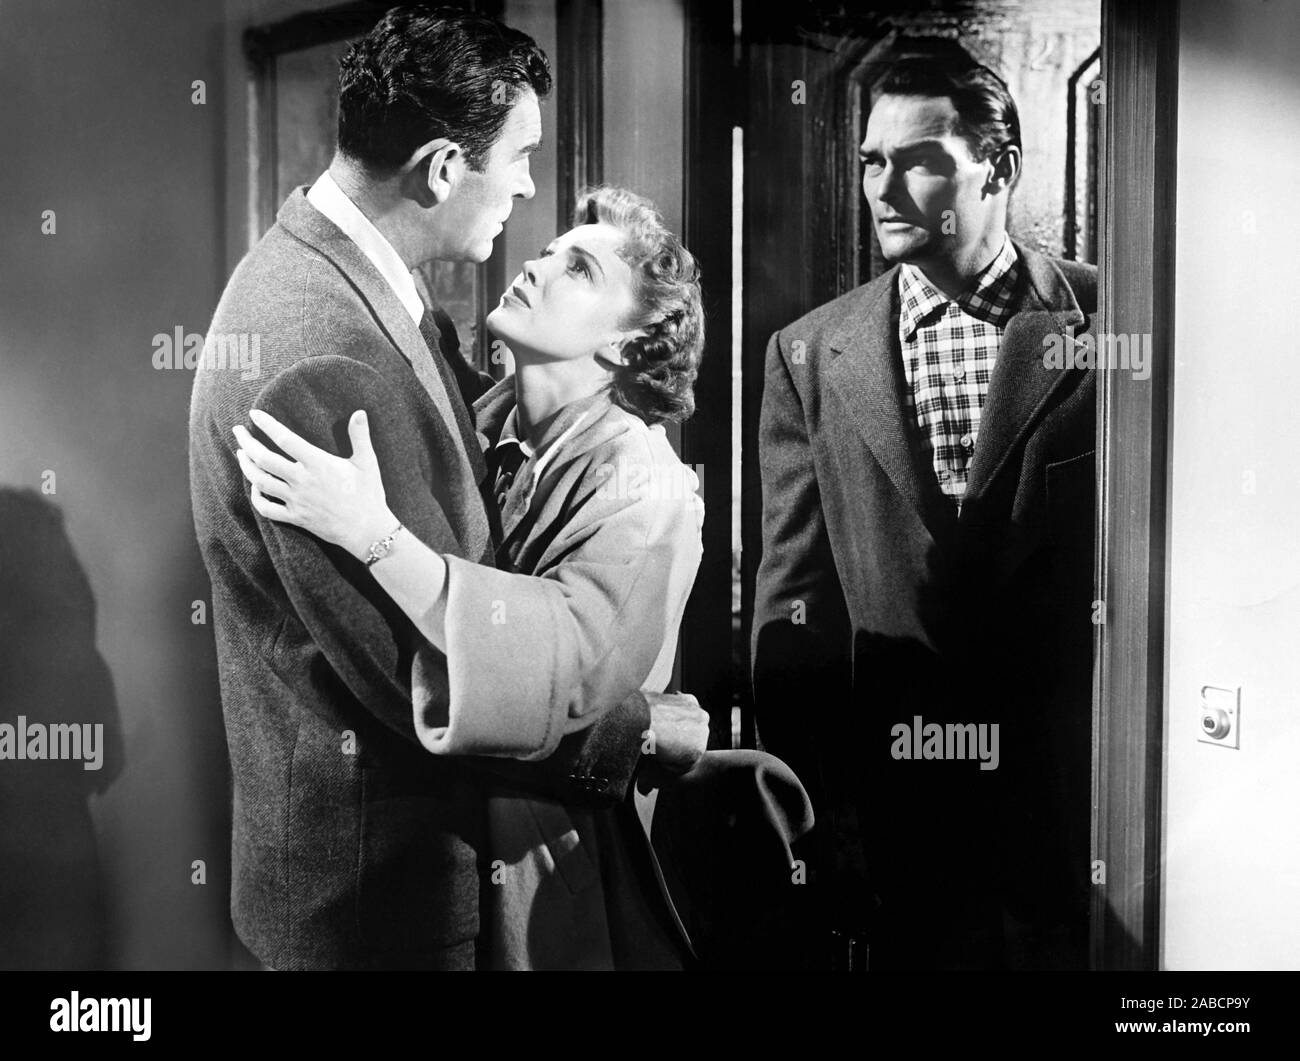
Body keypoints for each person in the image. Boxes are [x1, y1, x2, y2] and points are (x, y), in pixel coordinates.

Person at [189, 7, 704, 972]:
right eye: (520, 157)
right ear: (438, 169)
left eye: (578, 262)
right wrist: (644, 728)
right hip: (385, 907)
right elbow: (415, 677)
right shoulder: (323, 350)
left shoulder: (364, 300)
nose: (527, 191)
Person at [234, 186, 814, 969]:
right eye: (549, 251)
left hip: (553, 880)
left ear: (628, 342)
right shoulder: (485, 423)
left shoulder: (645, 480)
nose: (537, 265)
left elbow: (557, 664)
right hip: (455, 852)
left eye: (577, 267)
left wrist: (369, 532)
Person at [751, 52, 1098, 970]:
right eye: (871, 161)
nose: (886, 187)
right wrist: (819, 815)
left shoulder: (1109, 321)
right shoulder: (811, 353)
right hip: (896, 821)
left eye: (921, 159)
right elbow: (794, 616)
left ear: (1002, 165)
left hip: (1079, 820)